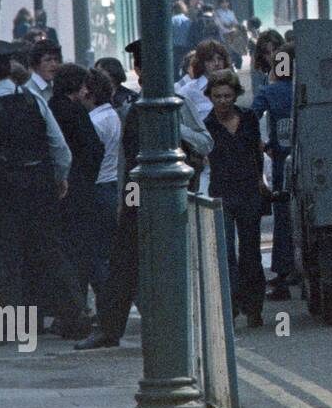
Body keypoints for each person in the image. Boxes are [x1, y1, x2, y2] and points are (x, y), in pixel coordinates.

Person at [76, 39, 214, 350]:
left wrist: (174, 128)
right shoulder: (132, 109)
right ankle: (109, 329)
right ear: (137, 71)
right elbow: (126, 158)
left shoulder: (179, 104)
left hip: (174, 196)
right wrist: (125, 199)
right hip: (137, 194)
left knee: (173, 262)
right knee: (123, 263)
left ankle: (178, 326)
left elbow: (206, 143)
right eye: (143, 68)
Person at [0, 40, 87, 337]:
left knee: (2, 254)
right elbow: (59, 146)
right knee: (49, 250)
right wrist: (60, 176)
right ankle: (76, 315)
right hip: (40, 182)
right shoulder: (33, 99)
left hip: (7, 183)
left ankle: (2, 327)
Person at [204, 69, 268, 327]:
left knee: (250, 251)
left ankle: (254, 307)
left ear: (235, 96)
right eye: (217, 96)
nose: (222, 101)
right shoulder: (207, 126)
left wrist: (261, 180)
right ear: (210, 96)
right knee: (226, 252)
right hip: (222, 192)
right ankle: (230, 306)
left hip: (249, 192)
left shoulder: (249, 118)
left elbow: (258, 152)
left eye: (227, 96)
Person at [48, 63, 105, 308]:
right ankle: (83, 308)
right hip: (79, 186)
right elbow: (93, 148)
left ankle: (70, 308)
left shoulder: (51, 107)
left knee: (67, 250)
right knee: (83, 252)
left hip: (61, 187)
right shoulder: (74, 111)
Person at [250, 43, 295, 299]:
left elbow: (249, 119)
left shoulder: (270, 91)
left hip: (280, 161)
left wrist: (262, 145)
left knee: (283, 217)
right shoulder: (303, 88)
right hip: (307, 157)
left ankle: (283, 274)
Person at [86, 66, 121, 296]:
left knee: (97, 253)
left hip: (98, 187)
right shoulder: (112, 115)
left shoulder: (95, 122)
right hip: (110, 185)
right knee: (106, 249)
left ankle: (107, 301)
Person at [178, 39, 230, 121]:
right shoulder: (189, 90)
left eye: (220, 59)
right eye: (210, 60)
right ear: (202, 63)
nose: (216, 63)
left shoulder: (231, 86)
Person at [25, 39, 62, 104]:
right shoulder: (29, 91)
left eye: (56, 59)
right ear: (36, 64)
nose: (54, 64)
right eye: (48, 60)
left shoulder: (56, 88)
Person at [171, 0, 192, 74]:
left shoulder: (171, 20)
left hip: (174, 47)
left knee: (175, 66)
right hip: (186, 46)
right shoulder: (188, 20)